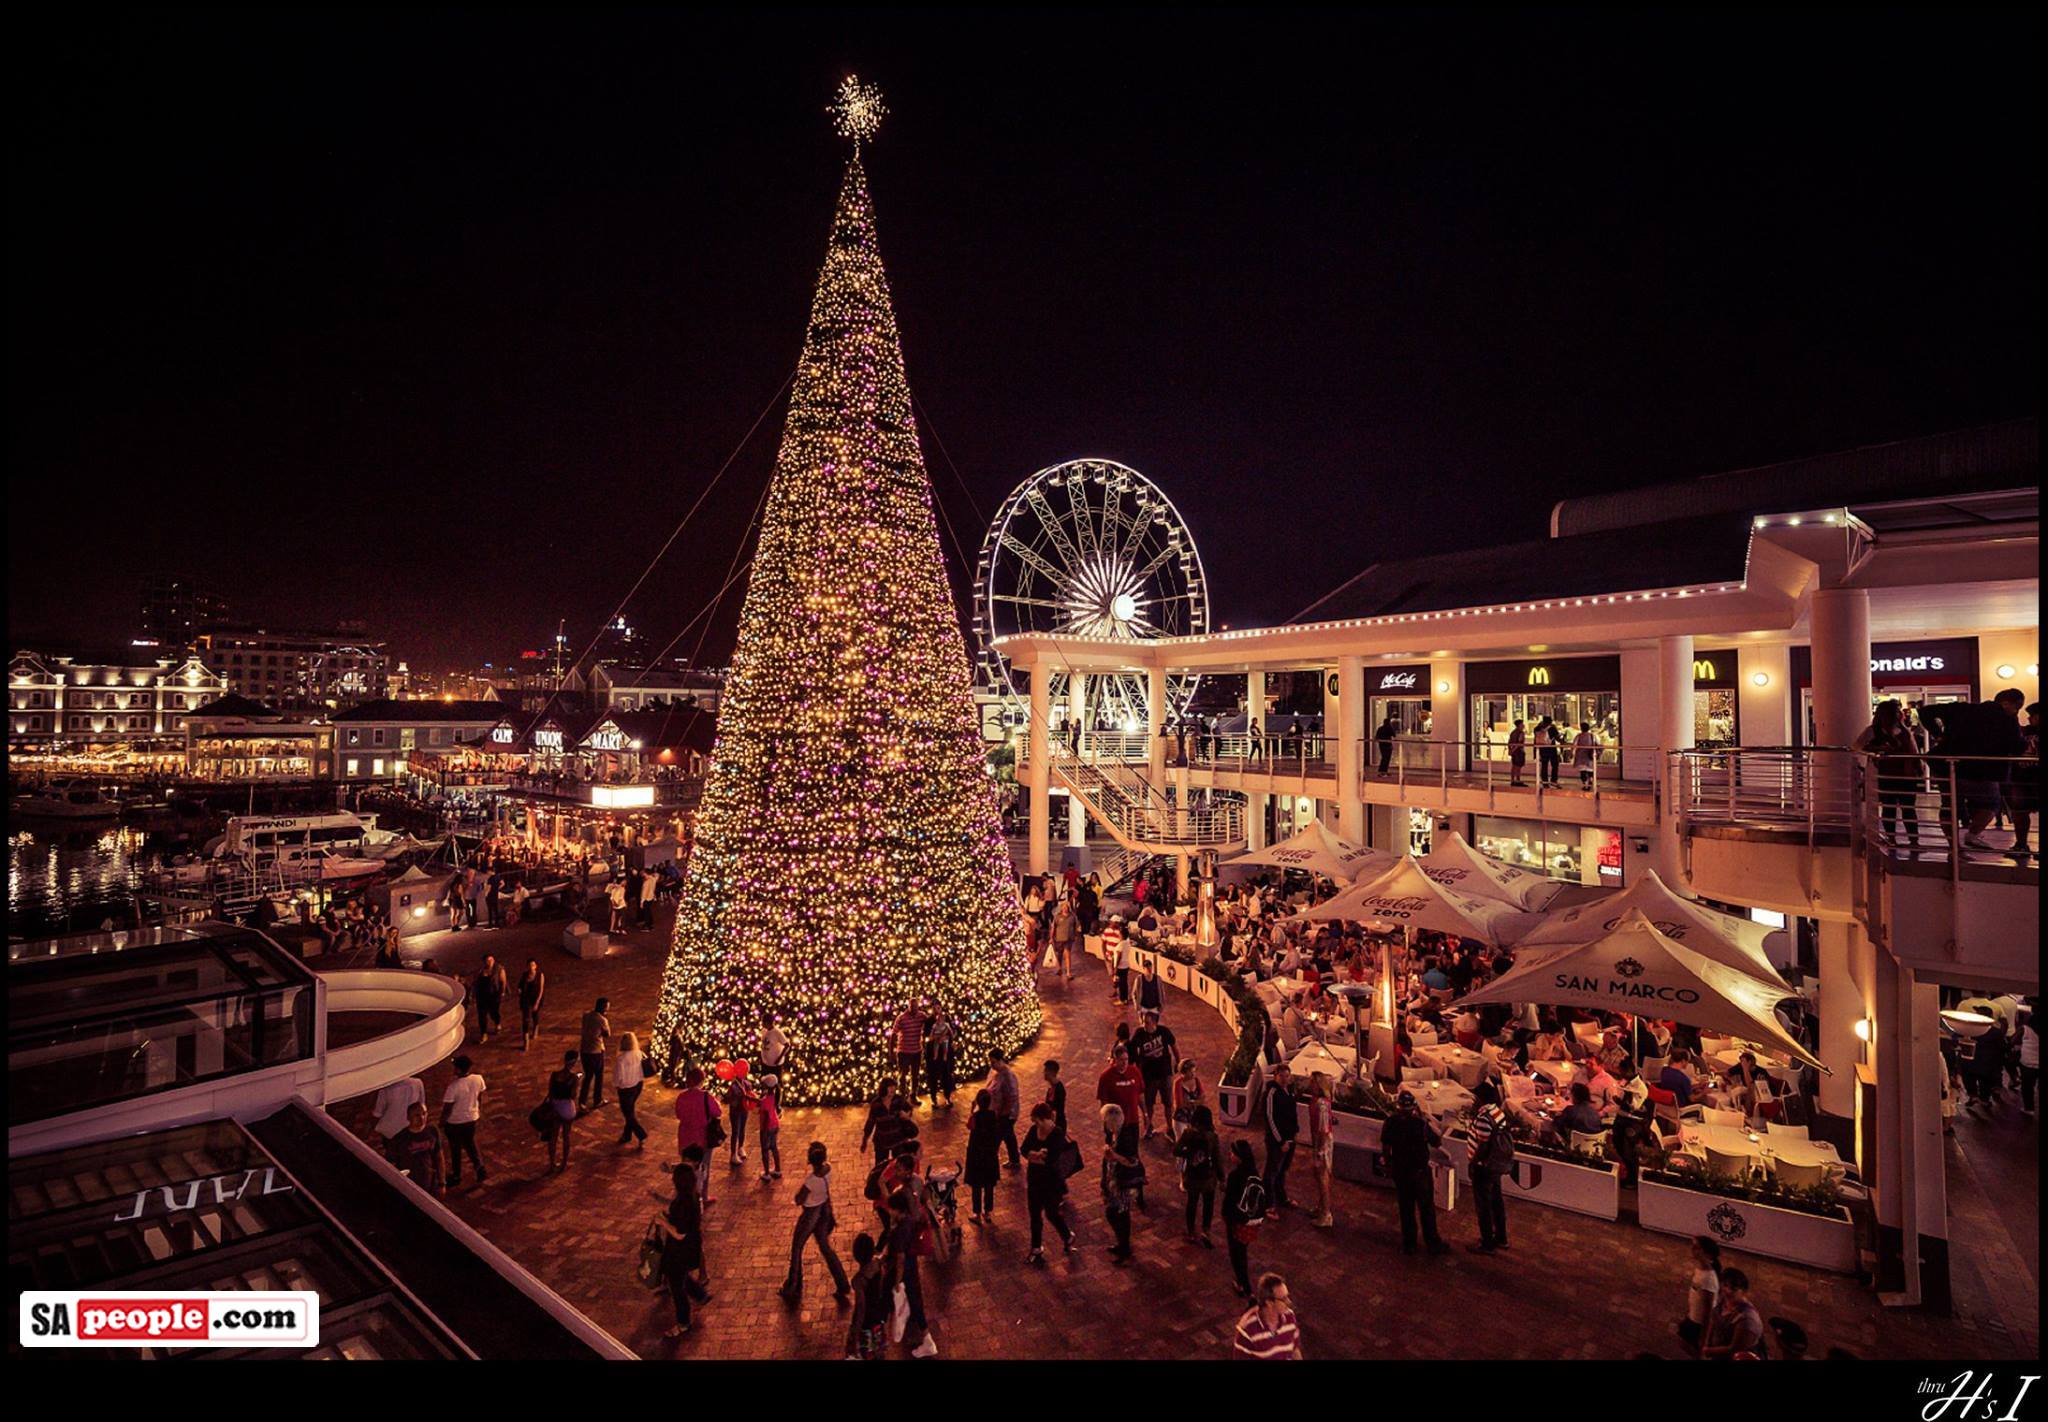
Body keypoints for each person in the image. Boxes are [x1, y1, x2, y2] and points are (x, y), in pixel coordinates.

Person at [781, 1140, 852, 1305]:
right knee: (826, 1249)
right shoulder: (828, 1169)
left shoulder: (811, 1181)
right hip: (824, 1210)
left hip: (811, 1214)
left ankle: (793, 1285)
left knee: (797, 1247)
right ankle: (842, 1284)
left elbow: (799, 1200)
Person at [1380, 1090, 1448, 1255]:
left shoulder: (1391, 1122)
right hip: (1419, 1173)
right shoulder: (1420, 1124)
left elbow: (1386, 1147)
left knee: (1406, 1208)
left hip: (1401, 1171)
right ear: (1413, 1107)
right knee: (1426, 1208)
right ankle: (1432, 1242)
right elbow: (1437, 1141)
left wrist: (1389, 1166)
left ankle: (1409, 1243)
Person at [654, 1161, 711, 1341]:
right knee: (682, 1276)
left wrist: (662, 1222)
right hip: (690, 1248)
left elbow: (679, 1233)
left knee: (677, 1287)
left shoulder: (683, 1202)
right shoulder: (692, 1197)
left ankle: (683, 1323)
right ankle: (700, 1295)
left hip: (680, 1251)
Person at [1021, 1102, 1075, 1264]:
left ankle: (1067, 1235)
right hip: (1034, 1180)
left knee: (1051, 1213)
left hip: (1051, 1183)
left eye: (1037, 1121)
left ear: (1045, 1119)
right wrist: (1037, 1155)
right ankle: (1036, 1247)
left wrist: (1033, 1157)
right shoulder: (1033, 1131)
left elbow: (1051, 1160)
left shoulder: (1057, 1134)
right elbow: (1023, 1150)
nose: (1035, 1124)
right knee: (1035, 1215)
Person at [1464, 1096, 1514, 1253]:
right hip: (1495, 1166)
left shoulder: (1483, 1119)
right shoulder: (1497, 1111)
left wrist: (1473, 1163)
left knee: (1483, 1206)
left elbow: (1483, 1145)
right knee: (1496, 1201)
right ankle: (1501, 1238)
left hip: (1484, 1168)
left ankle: (1487, 1243)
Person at [1221, 1139, 1266, 1296]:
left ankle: (1243, 1285)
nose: (1230, 1155)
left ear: (1238, 1156)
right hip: (1251, 1221)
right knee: (1242, 1250)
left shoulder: (1235, 1176)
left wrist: (1226, 1217)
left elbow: (1229, 1202)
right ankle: (1243, 1282)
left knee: (1236, 1253)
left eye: (1232, 1153)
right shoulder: (1254, 1173)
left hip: (1237, 1220)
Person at [672, 1067, 722, 1206]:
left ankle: (683, 1195)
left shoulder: (682, 1097)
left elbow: (678, 1114)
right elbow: (717, 1112)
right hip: (702, 1138)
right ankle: (702, 1197)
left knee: (686, 1169)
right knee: (703, 1168)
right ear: (702, 1080)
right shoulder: (706, 1096)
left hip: (685, 1138)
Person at [1177, 1102, 1223, 1247]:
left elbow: (1176, 1151)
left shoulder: (1188, 1133)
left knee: (1192, 1203)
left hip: (1192, 1176)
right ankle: (1206, 1230)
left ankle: (1191, 1232)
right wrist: (1222, 1178)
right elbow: (1217, 1159)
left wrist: (1190, 1154)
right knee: (1208, 1204)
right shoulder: (1212, 1137)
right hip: (1208, 1177)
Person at [1130, 1008, 1179, 1138]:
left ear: (1154, 1023)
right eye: (1143, 1022)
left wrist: (1178, 1062)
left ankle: (1170, 1127)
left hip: (1165, 1074)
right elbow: (1132, 1049)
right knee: (1149, 1104)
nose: (1144, 1025)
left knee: (1168, 1103)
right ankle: (1148, 1127)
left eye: (1147, 1022)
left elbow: (1174, 1047)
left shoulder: (1164, 1032)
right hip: (1148, 1076)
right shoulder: (1139, 1034)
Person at [439, 1055, 487, 1187]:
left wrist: (441, 1122)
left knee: (455, 1148)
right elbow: (479, 1097)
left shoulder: (453, 1087)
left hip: (455, 1122)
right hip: (471, 1118)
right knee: (470, 1143)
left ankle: (456, 1175)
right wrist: (477, 1110)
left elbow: (447, 1108)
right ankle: (479, 1166)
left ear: (458, 1070)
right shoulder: (478, 1079)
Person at [1698, 1267, 1766, 1359]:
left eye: (1733, 1289)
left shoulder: (1747, 1320)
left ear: (1744, 1291)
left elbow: (1735, 1349)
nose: (1728, 1291)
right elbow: (1714, 1321)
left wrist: (1707, 1351)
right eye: (1725, 1285)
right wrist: (1707, 1342)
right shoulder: (1725, 1301)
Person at [1234, 1273, 1303, 1360]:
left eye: (1288, 1296)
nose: (1289, 1302)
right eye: (1283, 1299)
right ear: (1269, 1302)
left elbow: (1294, 1350)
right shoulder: (1247, 1329)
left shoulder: (1290, 1317)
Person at [1262, 1062, 1300, 1215]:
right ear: (1275, 1076)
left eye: (1287, 1076)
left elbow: (1292, 1113)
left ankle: (1281, 1197)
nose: (1284, 1079)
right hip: (1278, 1141)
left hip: (1290, 1139)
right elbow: (1270, 1118)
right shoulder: (1271, 1093)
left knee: (1282, 1170)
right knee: (1271, 1171)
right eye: (1281, 1076)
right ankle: (1268, 1203)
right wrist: (1280, 1141)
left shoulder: (1288, 1091)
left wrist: (1295, 1132)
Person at [844, 1233, 888, 1360]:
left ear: (856, 1255)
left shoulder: (859, 1280)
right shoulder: (877, 1265)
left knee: (866, 1353)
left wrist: (855, 1331)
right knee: (879, 1353)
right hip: (879, 1318)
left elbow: (860, 1308)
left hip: (866, 1323)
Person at [386, 1101, 444, 1195]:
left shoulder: (432, 1131)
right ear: (409, 1117)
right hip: (409, 1186)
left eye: (424, 1113)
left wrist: (442, 1183)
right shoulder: (399, 1139)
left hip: (430, 1183)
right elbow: (390, 1165)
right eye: (417, 1115)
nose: (422, 1118)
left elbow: (439, 1158)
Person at [964, 1090, 1003, 1223]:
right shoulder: (993, 1116)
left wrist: (971, 1109)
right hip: (990, 1154)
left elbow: (969, 1126)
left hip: (976, 1154)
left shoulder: (976, 1116)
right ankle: (988, 1212)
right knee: (989, 1184)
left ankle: (977, 1214)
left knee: (976, 1185)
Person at [1679, 1236, 1722, 1354]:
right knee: (1683, 1342)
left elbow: (1708, 1313)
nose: (1692, 1249)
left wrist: (1704, 1340)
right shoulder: (1700, 1269)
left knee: (1696, 1350)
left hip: (1698, 1323)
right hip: (1693, 1316)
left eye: (1697, 1247)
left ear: (1708, 1254)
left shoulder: (1708, 1279)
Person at [1305, 1071, 1336, 1228]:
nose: (1309, 1085)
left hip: (1322, 1143)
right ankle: (1321, 1207)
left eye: (1312, 1082)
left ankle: (1326, 1214)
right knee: (1319, 1177)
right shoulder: (1318, 1101)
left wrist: (1320, 1150)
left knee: (1322, 1177)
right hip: (1319, 1141)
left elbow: (1323, 1129)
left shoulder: (1321, 1104)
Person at [1096, 1042, 1146, 1137]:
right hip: (1116, 1122)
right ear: (1115, 1060)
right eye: (1121, 1060)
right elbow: (1104, 1103)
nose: (1124, 1063)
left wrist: (1145, 1114)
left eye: (1126, 1059)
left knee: (1133, 1149)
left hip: (1133, 1120)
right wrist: (1108, 1124)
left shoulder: (1135, 1072)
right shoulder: (1106, 1077)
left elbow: (1140, 1095)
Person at [370, 1073, 426, 1156]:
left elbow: (378, 1113)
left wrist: (371, 1130)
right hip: (411, 1128)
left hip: (391, 1132)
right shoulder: (417, 1083)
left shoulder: (386, 1088)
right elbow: (421, 1105)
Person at [542, 1049, 580, 1170]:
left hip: (555, 1107)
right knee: (566, 1136)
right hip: (567, 1109)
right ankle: (564, 1163)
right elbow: (573, 1095)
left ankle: (552, 1162)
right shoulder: (573, 1078)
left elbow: (550, 1092)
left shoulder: (554, 1075)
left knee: (553, 1136)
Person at [988, 1049, 1023, 1170]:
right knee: (1009, 1136)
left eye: (993, 1062)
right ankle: (1014, 1160)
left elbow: (1012, 1096)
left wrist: (1003, 1113)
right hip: (1001, 1112)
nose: (991, 1065)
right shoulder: (998, 1073)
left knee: (996, 1138)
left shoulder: (1008, 1076)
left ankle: (991, 1164)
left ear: (1000, 1060)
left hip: (1007, 1114)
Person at [615, 1030, 649, 1147]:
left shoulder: (621, 1058)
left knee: (628, 1114)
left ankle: (641, 1134)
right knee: (630, 1111)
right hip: (638, 1085)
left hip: (625, 1088)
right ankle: (627, 1135)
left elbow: (619, 1077)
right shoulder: (639, 1054)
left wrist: (617, 1085)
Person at [578, 997, 611, 1112]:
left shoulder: (586, 1015)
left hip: (584, 1050)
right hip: (596, 1051)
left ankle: (582, 1102)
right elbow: (607, 1034)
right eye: (607, 1008)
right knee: (598, 1076)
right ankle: (597, 1100)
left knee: (587, 1076)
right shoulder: (602, 1020)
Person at [893, 1002, 928, 1103]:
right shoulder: (901, 1018)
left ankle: (913, 1095)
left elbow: (930, 1023)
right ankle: (902, 1097)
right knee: (903, 1075)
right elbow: (894, 1034)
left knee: (915, 1075)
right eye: (912, 1007)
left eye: (916, 1007)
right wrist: (891, 1051)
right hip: (904, 1051)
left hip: (917, 1051)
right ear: (909, 1007)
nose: (914, 1009)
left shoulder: (922, 1016)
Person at [924, 1006, 957, 1107]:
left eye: (938, 1008)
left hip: (945, 1054)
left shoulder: (947, 1018)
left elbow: (953, 1032)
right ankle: (934, 1099)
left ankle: (947, 1097)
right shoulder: (929, 1021)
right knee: (933, 1077)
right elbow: (927, 1036)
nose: (936, 1010)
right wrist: (937, 1038)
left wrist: (948, 1038)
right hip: (933, 1054)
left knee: (946, 1075)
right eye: (934, 1008)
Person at [471, 954, 506, 1044]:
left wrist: (502, 992)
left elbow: (503, 981)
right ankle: (483, 1034)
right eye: (488, 960)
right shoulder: (480, 971)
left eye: (491, 960)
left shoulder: (499, 969)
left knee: (494, 1012)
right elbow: (475, 983)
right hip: (482, 997)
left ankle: (497, 1023)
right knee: (482, 1016)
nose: (490, 962)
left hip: (493, 996)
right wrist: (474, 994)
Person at [516, 959, 545, 1052]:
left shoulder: (540, 975)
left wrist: (537, 1002)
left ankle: (536, 1027)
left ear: (536, 966)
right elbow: (520, 985)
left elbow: (541, 990)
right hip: (526, 999)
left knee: (535, 1015)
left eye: (533, 965)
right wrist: (519, 990)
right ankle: (526, 1041)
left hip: (535, 998)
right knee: (526, 1020)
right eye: (529, 965)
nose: (531, 967)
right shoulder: (525, 975)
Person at [1041, 1058, 1069, 1135]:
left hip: (1057, 1126)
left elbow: (1058, 1109)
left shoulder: (1059, 1089)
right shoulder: (1051, 1088)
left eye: (1046, 1070)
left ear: (1051, 1072)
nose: (1044, 1073)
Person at [1535, 716, 1562, 787]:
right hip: (1551, 749)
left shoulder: (1537, 728)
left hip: (1542, 749)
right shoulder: (1552, 729)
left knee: (1544, 765)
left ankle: (1544, 781)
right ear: (1550, 721)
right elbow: (1558, 738)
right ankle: (1553, 780)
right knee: (1555, 765)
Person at [1573, 721, 1599, 789]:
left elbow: (1574, 745)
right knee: (1590, 770)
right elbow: (1598, 743)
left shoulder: (1579, 736)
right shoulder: (1592, 736)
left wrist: (1572, 753)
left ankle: (1585, 784)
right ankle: (1590, 780)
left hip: (1581, 757)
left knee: (1583, 771)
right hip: (1590, 756)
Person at [1507, 718, 1528, 787]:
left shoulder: (1513, 732)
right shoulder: (1520, 733)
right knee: (1518, 766)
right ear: (1519, 725)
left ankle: (1513, 780)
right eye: (1522, 724)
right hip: (1518, 751)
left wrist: (1510, 750)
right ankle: (1517, 780)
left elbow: (1510, 742)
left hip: (1514, 751)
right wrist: (1514, 750)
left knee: (1514, 766)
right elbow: (1519, 743)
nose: (1523, 725)